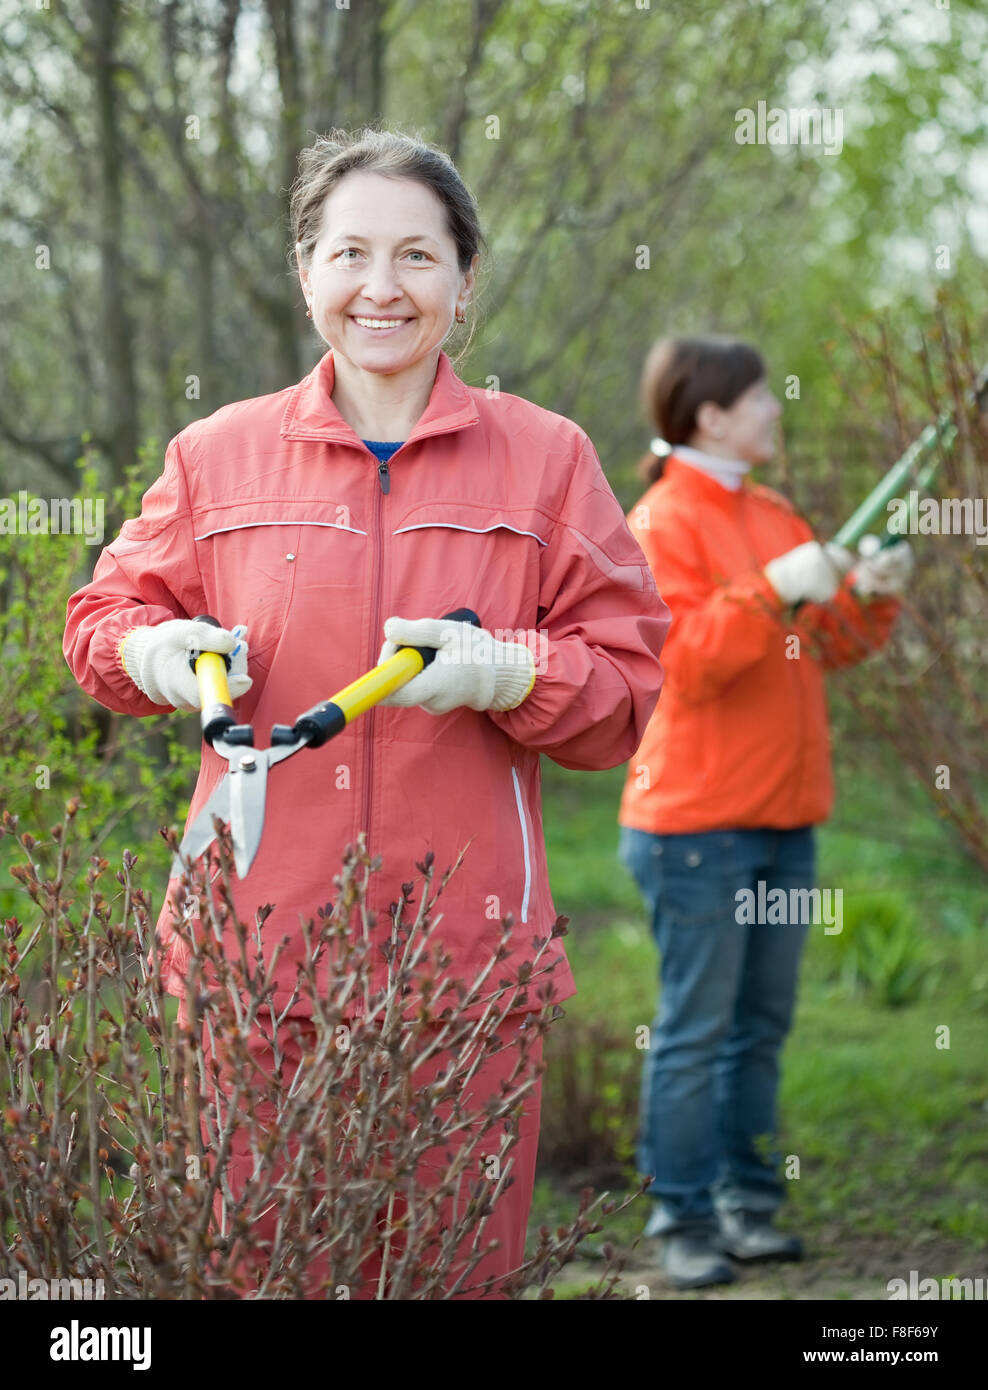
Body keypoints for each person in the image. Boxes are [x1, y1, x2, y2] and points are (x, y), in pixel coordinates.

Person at [63, 127, 670, 1298]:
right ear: (307, 272)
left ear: (463, 280)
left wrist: (508, 673)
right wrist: (150, 646)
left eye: (416, 257)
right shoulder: (213, 455)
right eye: (349, 253)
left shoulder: (547, 460)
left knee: (448, 1276)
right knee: (262, 1271)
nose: (380, 288)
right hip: (256, 965)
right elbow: (100, 622)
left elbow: (624, 696)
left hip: (465, 976)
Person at [617, 336, 912, 1290]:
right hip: (696, 826)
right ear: (709, 414)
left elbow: (825, 644)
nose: (776, 410)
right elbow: (689, 662)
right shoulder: (662, 521)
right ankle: (683, 1220)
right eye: (759, 397)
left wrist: (871, 599)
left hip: (786, 819)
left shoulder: (775, 512)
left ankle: (749, 1205)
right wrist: (776, 588)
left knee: (759, 1025)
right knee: (697, 1028)